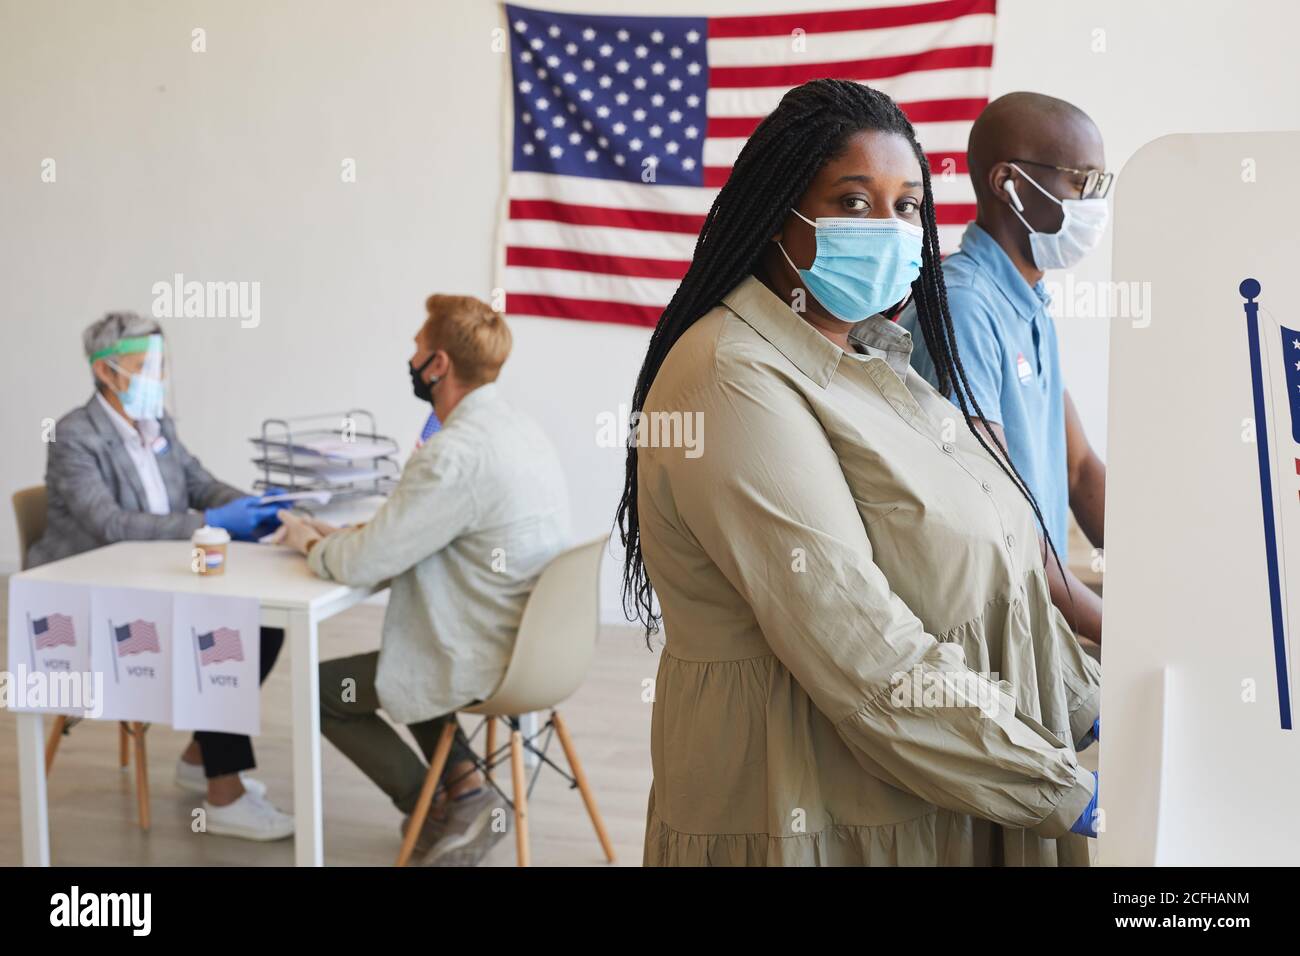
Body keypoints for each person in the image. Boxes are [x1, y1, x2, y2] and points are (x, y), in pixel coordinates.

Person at [616, 79, 1102, 867]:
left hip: (942, 784)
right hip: (815, 809)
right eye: (851, 203)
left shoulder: (872, 355)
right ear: (779, 212)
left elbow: (993, 572)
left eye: (906, 206)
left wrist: (1083, 701)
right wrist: (1066, 791)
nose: (888, 229)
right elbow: (866, 651)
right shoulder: (730, 378)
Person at [271, 294, 571, 866]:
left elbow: (362, 565)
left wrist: (310, 541)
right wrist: (369, 530)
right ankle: (463, 788)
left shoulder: (452, 454)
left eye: (416, 348)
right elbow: (431, 526)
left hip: (482, 655)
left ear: (438, 364)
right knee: (411, 645)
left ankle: (435, 803)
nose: (409, 359)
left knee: (322, 691)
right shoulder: (518, 429)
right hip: (543, 648)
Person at [30, 311, 293, 841]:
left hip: (156, 582)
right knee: (222, 636)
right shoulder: (74, 437)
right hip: (86, 603)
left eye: (161, 363)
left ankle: (202, 756)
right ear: (107, 373)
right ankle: (224, 792)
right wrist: (212, 524)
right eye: (145, 365)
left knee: (263, 626)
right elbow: (111, 525)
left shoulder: (158, 425)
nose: (159, 375)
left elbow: (200, 483)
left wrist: (257, 505)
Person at [898, 92, 1110, 648]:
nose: (1094, 204)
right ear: (1007, 182)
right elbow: (996, 517)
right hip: (984, 639)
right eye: (1081, 181)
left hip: (1035, 621)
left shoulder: (1027, 300)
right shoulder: (965, 307)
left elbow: (1079, 468)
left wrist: (1157, 586)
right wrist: (1113, 627)